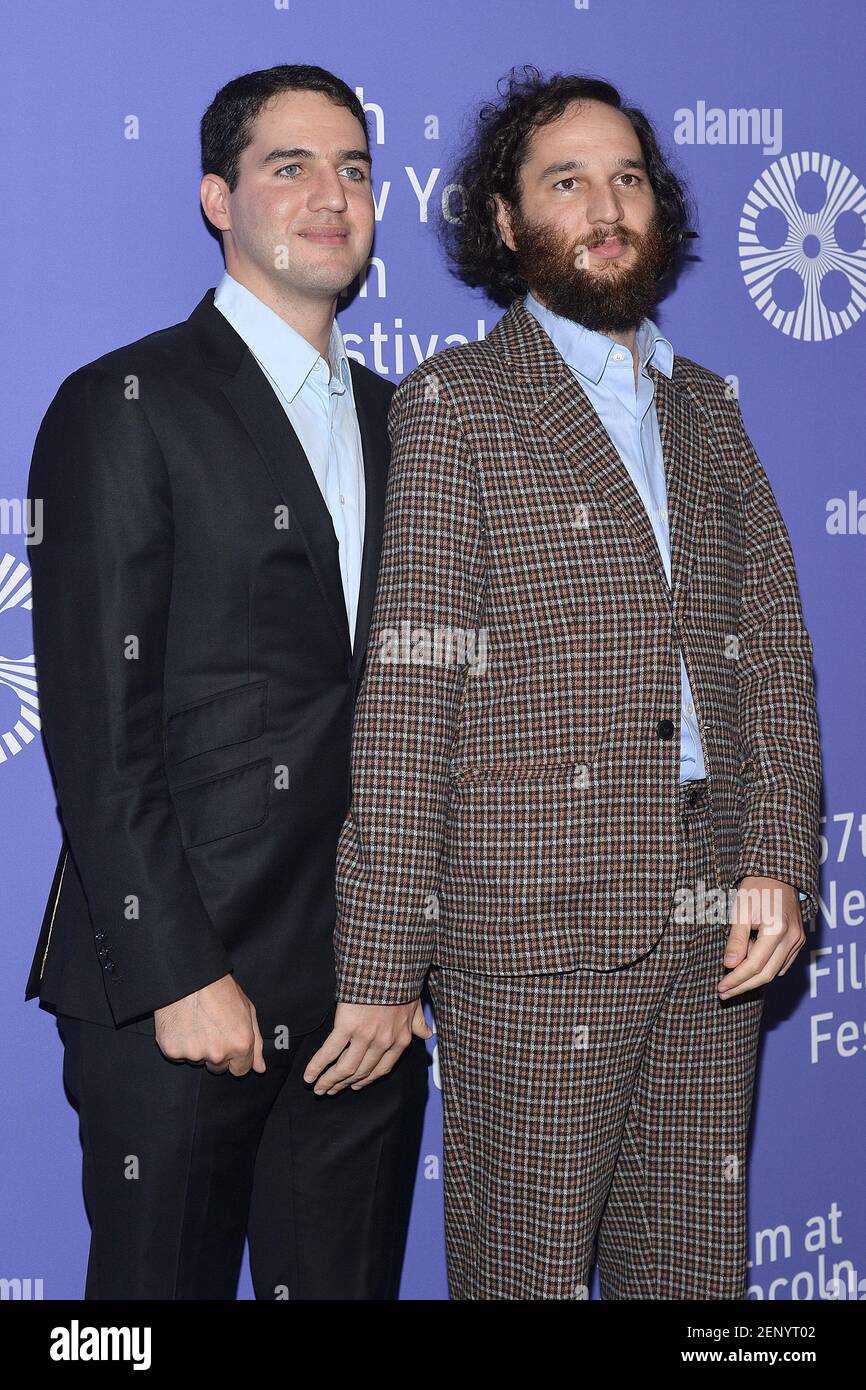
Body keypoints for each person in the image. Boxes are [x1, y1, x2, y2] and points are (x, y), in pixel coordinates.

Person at [305, 67, 822, 1300]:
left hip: (714, 929)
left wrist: (778, 859)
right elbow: (410, 697)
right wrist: (379, 967)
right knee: (520, 1280)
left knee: (699, 1289)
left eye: (628, 178)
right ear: (504, 219)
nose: (606, 206)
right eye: (567, 181)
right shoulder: (454, 407)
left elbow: (775, 647)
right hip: (528, 942)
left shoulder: (707, 409)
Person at [25, 63, 429, 1301]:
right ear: (218, 197)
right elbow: (98, 730)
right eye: (289, 166)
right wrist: (181, 975)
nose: (331, 194)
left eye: (354, 169)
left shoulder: (406, 419)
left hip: (362, 1004)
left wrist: (398, 965)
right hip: (179, 994)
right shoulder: (123, 404)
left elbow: (424, 720)